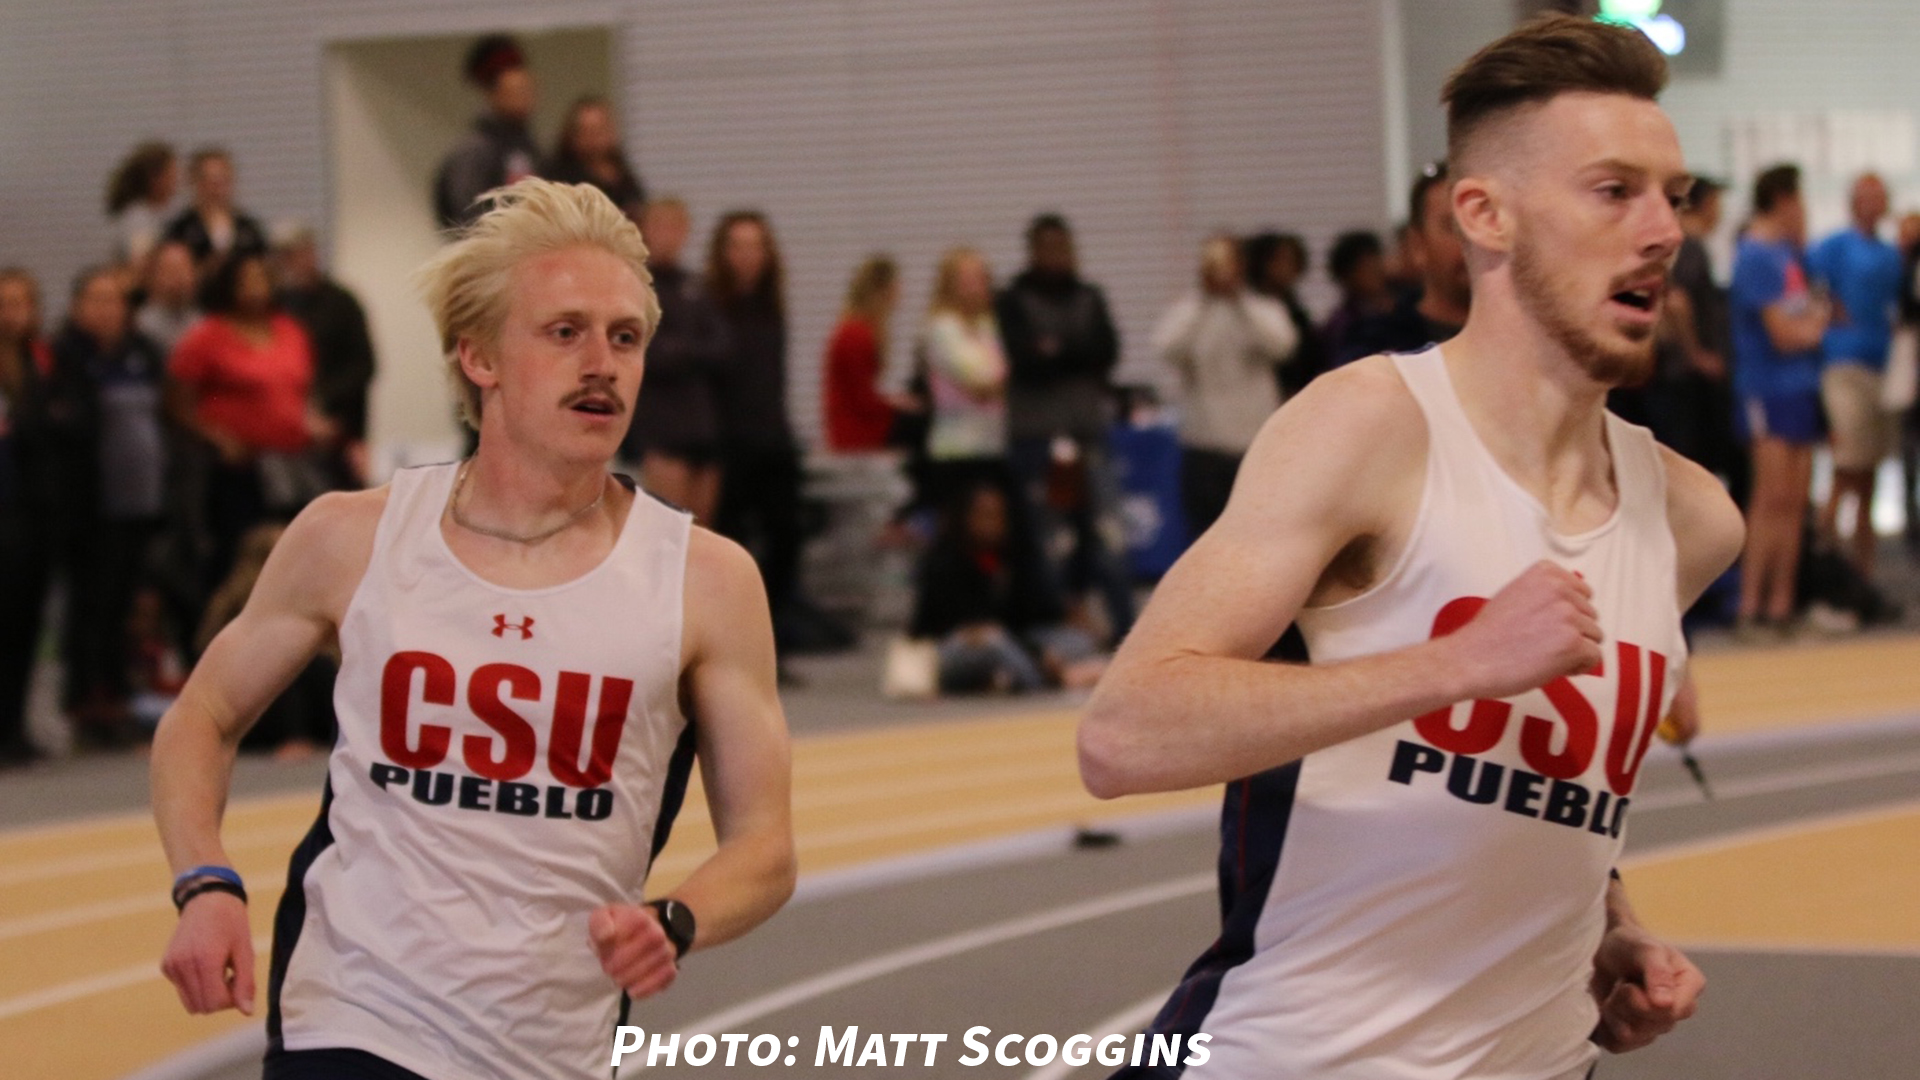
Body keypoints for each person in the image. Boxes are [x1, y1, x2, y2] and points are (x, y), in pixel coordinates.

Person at [1078, 16, 1737, 1079]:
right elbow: (1124, 736)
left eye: (1677, 196)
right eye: (1615, 192)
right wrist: (1456, 663)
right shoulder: (1370, 428)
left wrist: (1609, 924)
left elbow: (1538, 794)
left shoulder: (1692, 516)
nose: (1664, 232)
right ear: (1484, 215)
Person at [152, 179, 796, 1079]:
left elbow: (765, 845)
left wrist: (674, 920)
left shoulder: (706, 579)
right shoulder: (354, 537)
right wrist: (205, 883)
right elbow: (203, 715)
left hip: (552, 1043)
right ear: (479, 355)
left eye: (625, 338)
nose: (602, 364)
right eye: (565, 332)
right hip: (354, 1010)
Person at [995, 213, 1134, 638]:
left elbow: (1106, 351)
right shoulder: (1011, 300)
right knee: (1052, 542)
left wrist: (1055, 351)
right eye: (1048, 248)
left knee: (1107, 535)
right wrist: (1071, 353)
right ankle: (1060, 632)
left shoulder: (1090, 296)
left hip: (1087, 435)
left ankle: (1126, 628)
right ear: (1033, 251)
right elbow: (1026, 361)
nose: (1057, 256)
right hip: (1038, 439)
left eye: (1063, 247)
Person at [54, 266, 171, 743]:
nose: (107, 309)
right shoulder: (64, 358)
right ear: (77, 307)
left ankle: (118, 695)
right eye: (97, 299)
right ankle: (86, 701)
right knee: (91, 607)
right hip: (91, 507)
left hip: (139, 502)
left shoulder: (143, 351)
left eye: (115, 300)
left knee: (125, 606)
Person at [168, 252, 318, 589]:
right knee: (237, 559)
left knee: (290, 557)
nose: (255, 287)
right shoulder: (207, 336)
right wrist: (217, 437)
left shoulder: (290, 330)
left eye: (261, 277)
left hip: (288, 464)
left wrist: (314, 423)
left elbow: (300, 390)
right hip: (236, 469)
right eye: (245, 279)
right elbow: (177, 403)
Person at [1730, 163, 1827, 636]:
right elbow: (1785, 334)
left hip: (1800, 386)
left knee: (1794, 502)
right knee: (1768, 500)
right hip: (1766, 388)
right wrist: (1812, 327)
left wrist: (1810, 325)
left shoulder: (1789, 254)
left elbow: (1808, 317)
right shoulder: (1754, 254)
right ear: (1783, 201)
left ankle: (1781, 606)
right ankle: (1751, 606)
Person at [1151, 234, 1298, 536]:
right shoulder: (1191, 310)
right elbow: (1165, 348)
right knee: (1203, 537)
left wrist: (1238, 299)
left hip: (1254, 446)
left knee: (1260, 536)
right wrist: (1205, 300)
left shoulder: (1262, 308)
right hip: (1203, 447)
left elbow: (1283, 345)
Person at [707, 211, 808, 633]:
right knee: (730, 542)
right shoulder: (712, 308)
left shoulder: (771, 310)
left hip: (772, 437)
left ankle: (776, 627)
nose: (747, 256)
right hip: (729, 440)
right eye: (738, 246)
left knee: (787, 533)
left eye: (755, 246)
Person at [910, 482, 1105, 695]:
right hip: (954, 645)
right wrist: (1037, 654)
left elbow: (1029, 617)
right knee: (994, 642)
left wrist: (1047, 643)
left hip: (1012, 639)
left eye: (998, 515)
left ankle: (1019, 676)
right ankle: (1050, 682)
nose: (993, 523)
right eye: (985, 515)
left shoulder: (1012, 558)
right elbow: (969, 625)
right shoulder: (945, 561)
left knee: (1075, 640)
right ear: (966, 517)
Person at [1809, 173, 1904, 578]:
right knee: (1846, 467)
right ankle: (1824, 566)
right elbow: (1802, 278)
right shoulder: (1835, 245)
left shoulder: (1890, 254)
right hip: (1843, 365)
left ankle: (1863, 574)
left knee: (1869, 476)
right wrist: (1824, 308)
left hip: (1881, 368)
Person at [625, 197, 728, 523]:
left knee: (703, 532)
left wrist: (680, 349)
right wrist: (689, 351)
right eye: (660, 227)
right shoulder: (636, 285)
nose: (667, 236)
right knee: (669, 526)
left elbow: (722, 347)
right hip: (661, 429)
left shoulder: (695, 286)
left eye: (675, 228)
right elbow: (648, 350)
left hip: (702, 425)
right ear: (645, 230)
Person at [0, 269, 55, 766]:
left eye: (20, 302)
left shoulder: (41, 361)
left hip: (31, 513)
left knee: (23, 624)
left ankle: (14, 725)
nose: (12, 313)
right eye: (4, 303)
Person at [275, 227, 377, 488]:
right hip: (289, 427)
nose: (295, 262)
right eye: (287, 256)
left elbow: (364, 365)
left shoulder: (341, 302)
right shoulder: (277, 304)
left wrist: (323, 400)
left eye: (299, 253)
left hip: (339, 424)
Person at [917, 247, 1012, 509]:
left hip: (994, 443)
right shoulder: (941, 329)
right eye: (968, 280)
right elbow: (979, 384)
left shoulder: (989, 326)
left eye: (982, 278)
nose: (977, 286)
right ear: (949, 285)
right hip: (957, 449)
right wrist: (1012, 382)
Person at [434, 34, 543, 229]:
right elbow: (467, 217)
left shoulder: (530, 146)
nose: (526, 98)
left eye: (528, 89)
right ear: (493, 93)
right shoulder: (474, 151)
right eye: (517, 91)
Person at [823, 254, 913, 454]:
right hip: (856, 432)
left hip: (853, 427)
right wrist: (896, 405)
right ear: (884, 290)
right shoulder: (856, 335)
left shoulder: (856, 330)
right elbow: (862, 400)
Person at [1242, 231, 1328, 393]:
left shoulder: (1297, 312)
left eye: (1292, 261)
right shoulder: (1248, 307)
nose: (1287, 268)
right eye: (1280, 260)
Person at [163, 148, 269, 272]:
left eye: (222, 180)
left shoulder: (248, 229)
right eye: (209, 181)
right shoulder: (180, 229)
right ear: (194, 183)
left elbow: (264, 267)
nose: (217, 188)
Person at [547, 96, 646, 221]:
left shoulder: (622, 173)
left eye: (600, 130)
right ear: (573, 135)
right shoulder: (559, 178)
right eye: (586, 131)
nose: (594, 138)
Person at [1320, 229, 1399, 367]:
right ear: (1347, 275)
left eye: (1377, 262)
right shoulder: (1342, 324)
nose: (1376, 271)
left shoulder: (1400, 309)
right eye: (1366, 267)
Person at [105, 141, 179, 268]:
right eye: (172, 175)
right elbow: (140, 262)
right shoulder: (138, 218)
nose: (177, 181)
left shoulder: (164, 213)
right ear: (155, 179)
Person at [137, 240, 203, 356]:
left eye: (184, 269)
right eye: (171, 270)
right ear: (154, 276)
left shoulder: (203, 320)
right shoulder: (141, 326)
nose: (179, 277)